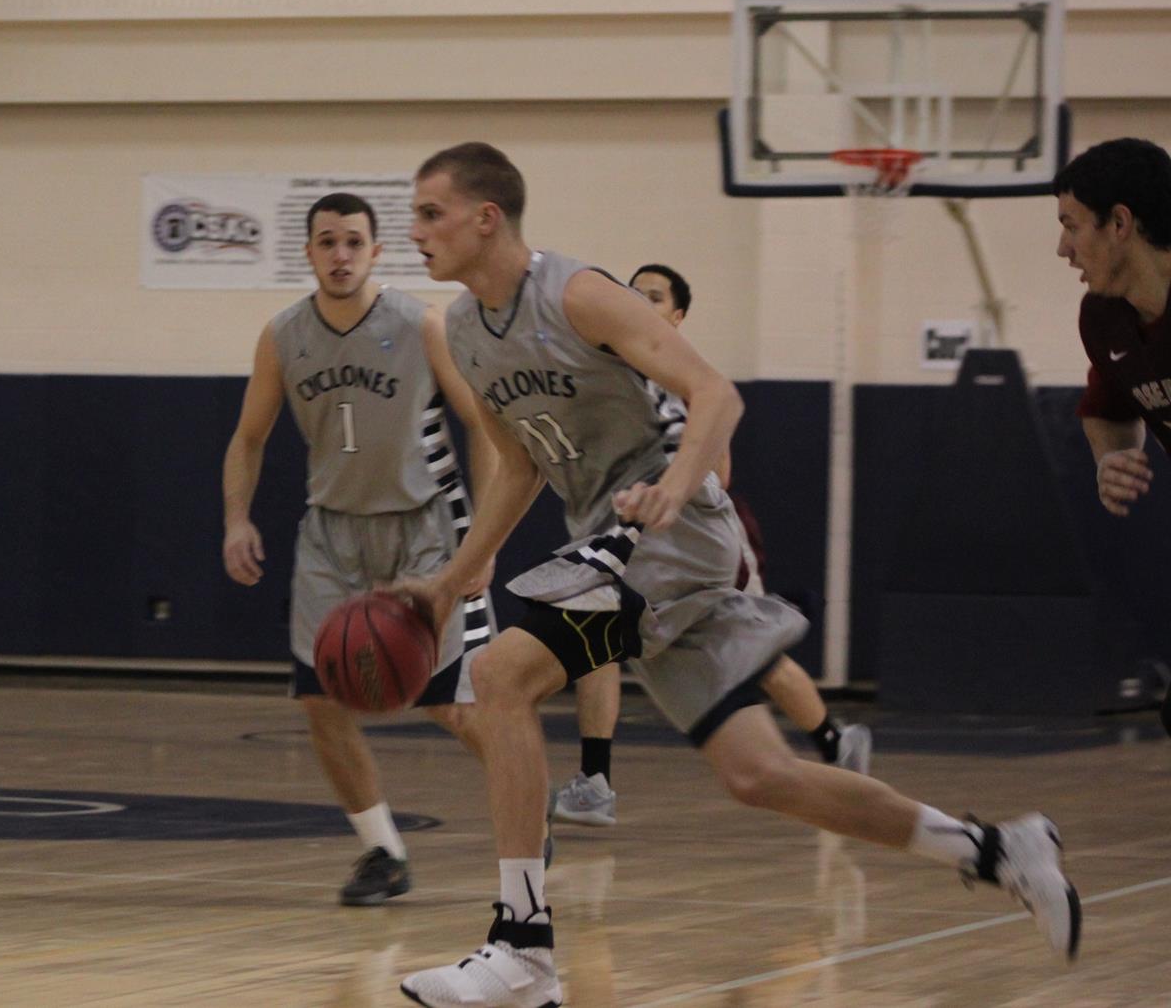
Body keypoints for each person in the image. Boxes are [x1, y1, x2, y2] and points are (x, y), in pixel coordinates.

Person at [396, 142, 1079, 1008]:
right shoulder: (463, 330)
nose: (416, 231)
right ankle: (996, 850)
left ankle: (522, 946)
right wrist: (453, 577)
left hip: (674, 530)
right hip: (618, 538)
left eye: (429, 212)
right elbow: (518, 466)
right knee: (759, 774)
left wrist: (676, 488)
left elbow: (718, 393)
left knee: (498, 676)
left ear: (484, 216)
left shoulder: (574, 292)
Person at [222, 191, 507, 906]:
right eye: (327, 242)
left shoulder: (422, 323)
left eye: (353, 241)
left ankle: (528, 810)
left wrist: (482, 541)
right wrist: (236, 518)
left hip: (422, 529)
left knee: (454, 704)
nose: (341, 254)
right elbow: (248, 437)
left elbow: (487, 428)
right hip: (331, 533)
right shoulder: (282, 335)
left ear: (376, 251)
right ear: (310, 252)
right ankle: (382, 851)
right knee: (319, 697)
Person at [552, 263, 870, 828]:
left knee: (751, 657)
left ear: (677, 317)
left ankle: (833, 739)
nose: (638, 304)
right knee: (591, 639)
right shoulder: (616, 368)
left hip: (698, 533)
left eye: (653, 297)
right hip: (627, 533)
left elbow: (716, 472)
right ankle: (595, 779)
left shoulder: (684, 373)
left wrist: (662, 497)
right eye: (633, 295)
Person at [1054, 135, 1171, 737]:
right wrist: (1113, 459)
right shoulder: (1103, 316)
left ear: (1120, 222)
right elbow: (1107, 403)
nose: (1062, 248)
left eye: (1072, 226)